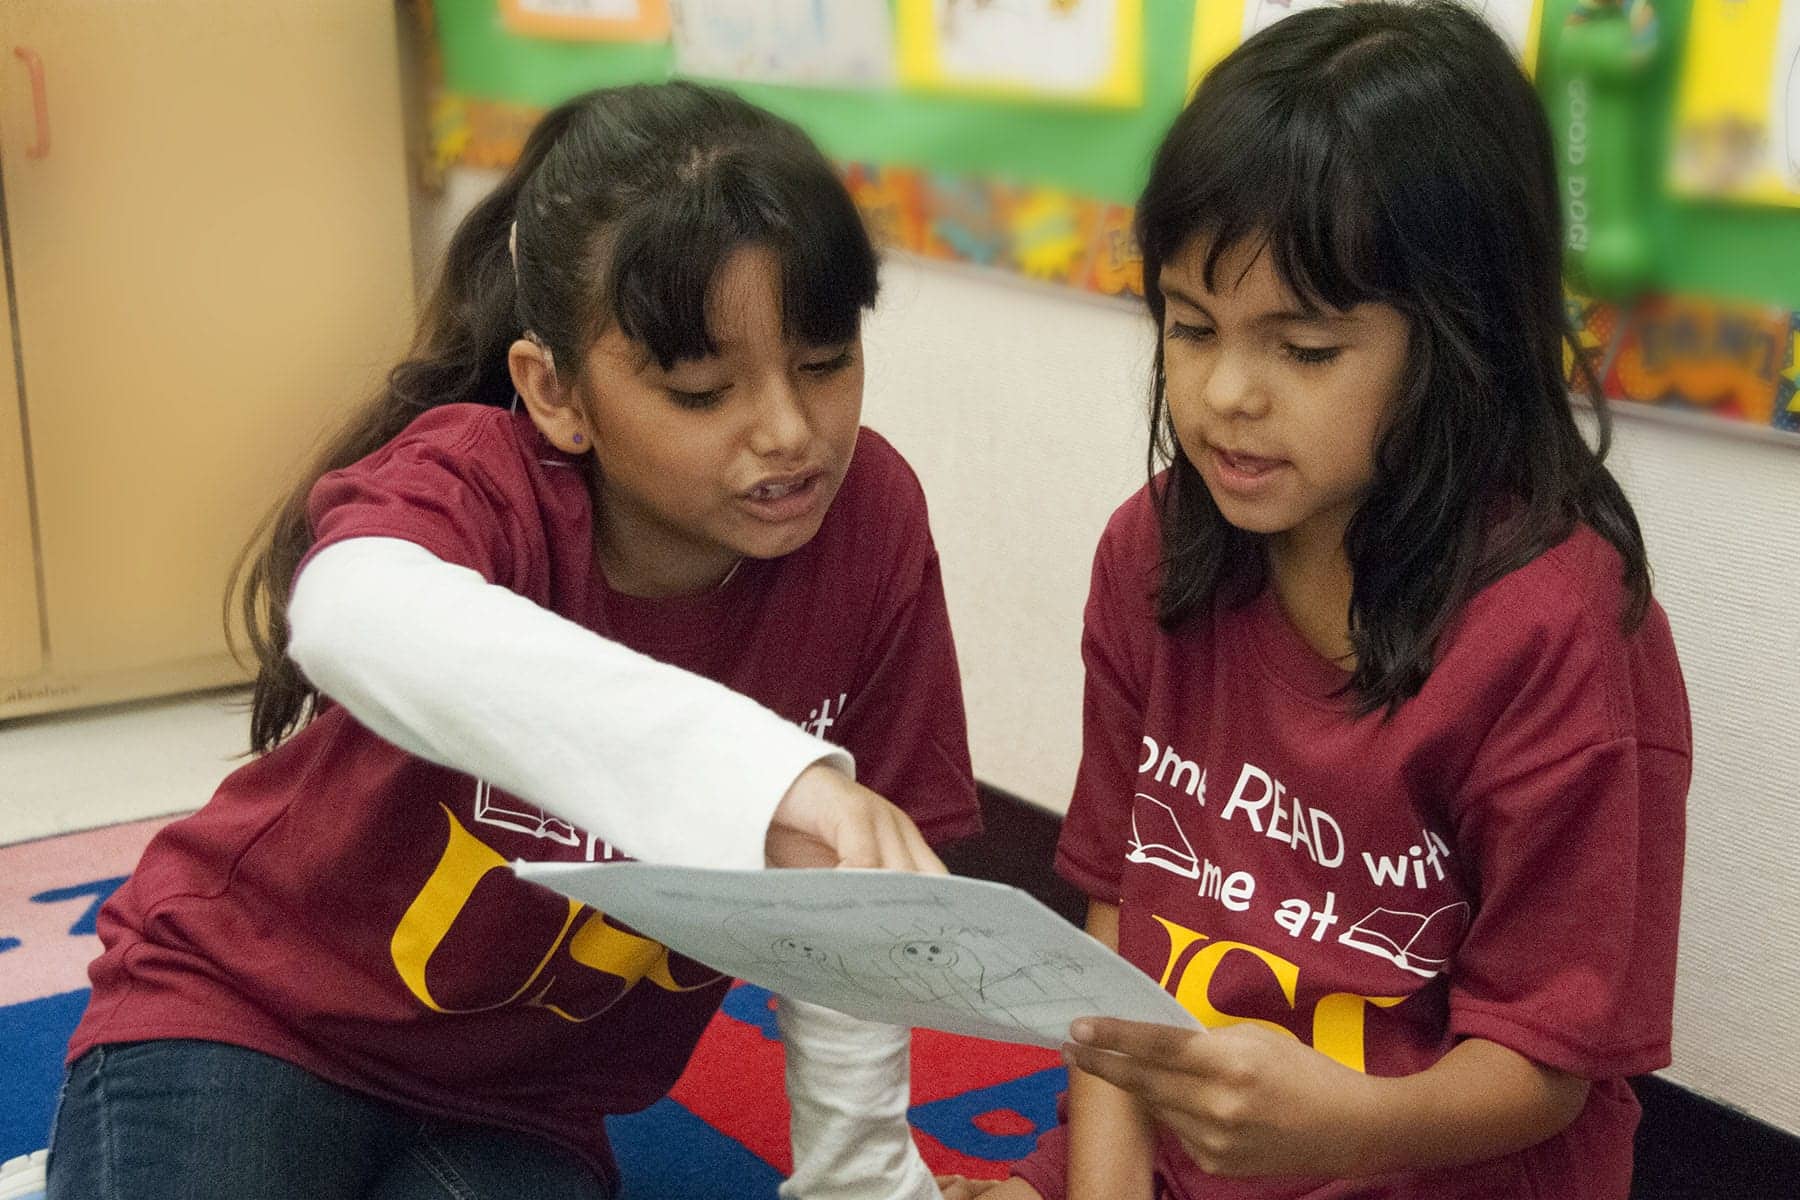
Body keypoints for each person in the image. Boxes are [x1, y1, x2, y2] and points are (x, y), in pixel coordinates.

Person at [47, 81, 979, 1200]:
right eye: (700, 391)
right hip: (249, 1015)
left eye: (826, 363)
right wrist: (766, 779)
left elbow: (858, 904)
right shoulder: (482, 482)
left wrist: (863, 1179)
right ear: (556, 392)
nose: (788, 432)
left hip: (519, 1102)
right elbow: (350, 608)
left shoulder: (870, 523)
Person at [938, 4, 1689, 1197]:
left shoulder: (1560, 632)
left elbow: (1546, 1064)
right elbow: (1118, 922)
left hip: (1429, 1159)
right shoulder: (1153, 553)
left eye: (1304, 350)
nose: (1228, 392)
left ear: (1458, 342)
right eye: (1192, 328)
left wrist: (1352, 1132)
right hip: (1188, 1148)